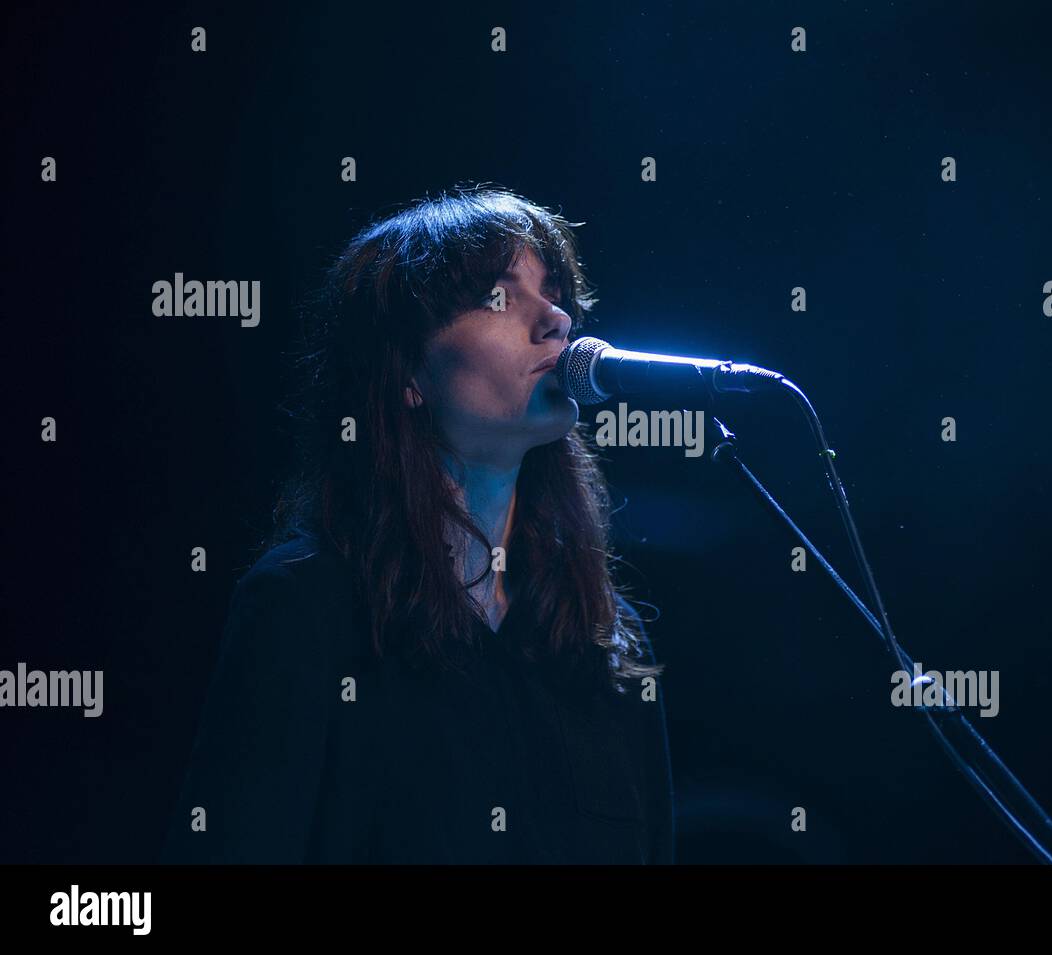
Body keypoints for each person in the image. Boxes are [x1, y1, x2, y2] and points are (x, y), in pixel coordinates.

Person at [161, 187, 674, 864]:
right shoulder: (304, 608)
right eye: (499, 295)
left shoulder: (604, 633)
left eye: (554, 293)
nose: (554, 318)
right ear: (409, 371)